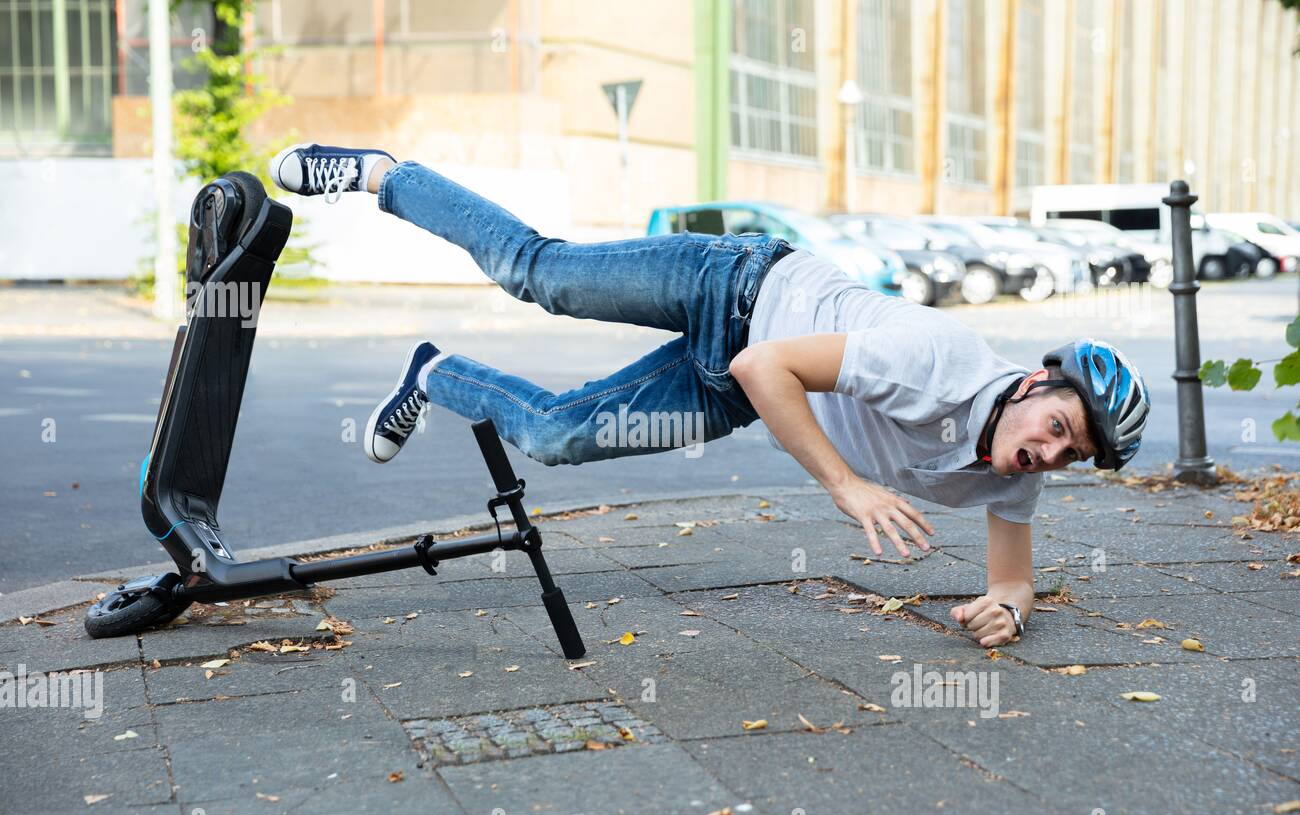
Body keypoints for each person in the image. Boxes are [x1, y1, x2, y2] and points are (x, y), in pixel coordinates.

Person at [269, 143, 1151, 648]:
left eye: (1071, 455)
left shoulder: (1016, 473)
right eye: (1058, 426)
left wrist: (1008, 609)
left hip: (737, 390)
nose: (1050, 452)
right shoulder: (934, 360)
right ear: (1038, 382)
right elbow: (770, 363)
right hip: (734, 289)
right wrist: (847, 486)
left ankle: (435, 374)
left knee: (558, 437)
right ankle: (386, 175)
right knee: (539, 275)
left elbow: (1014, 577)